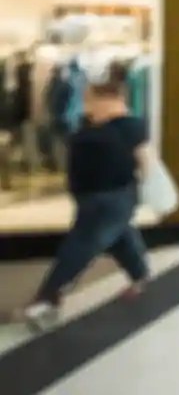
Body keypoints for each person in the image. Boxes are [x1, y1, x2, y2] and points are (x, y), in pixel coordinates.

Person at [23, 79, 151, 331]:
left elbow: (146, 161)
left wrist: (141, 189)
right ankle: (141, 277)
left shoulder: (131, 126)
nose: (87, 106)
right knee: (120, 237)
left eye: (91, 100)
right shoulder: (94, 126)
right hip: (97, 199)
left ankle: (48, 297)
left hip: (111, 197)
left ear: (110, 99)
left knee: (80, 246)